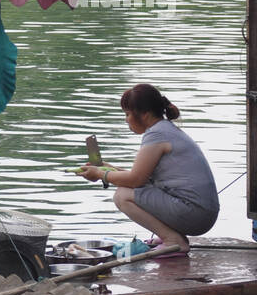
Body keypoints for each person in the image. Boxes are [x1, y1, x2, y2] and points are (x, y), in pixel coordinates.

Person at [77, 84, 219, 256]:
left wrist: (101, 174)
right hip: (200, 212)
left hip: (195, 213)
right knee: (129, 189)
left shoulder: (156, 135)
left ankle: (174, 241)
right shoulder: (164, 130)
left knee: (122, 196)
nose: (126, 119)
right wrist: (104, 168)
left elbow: (135, 180)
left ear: (144, 114)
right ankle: (171, 235)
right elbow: (140, 178)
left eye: (128, 114)